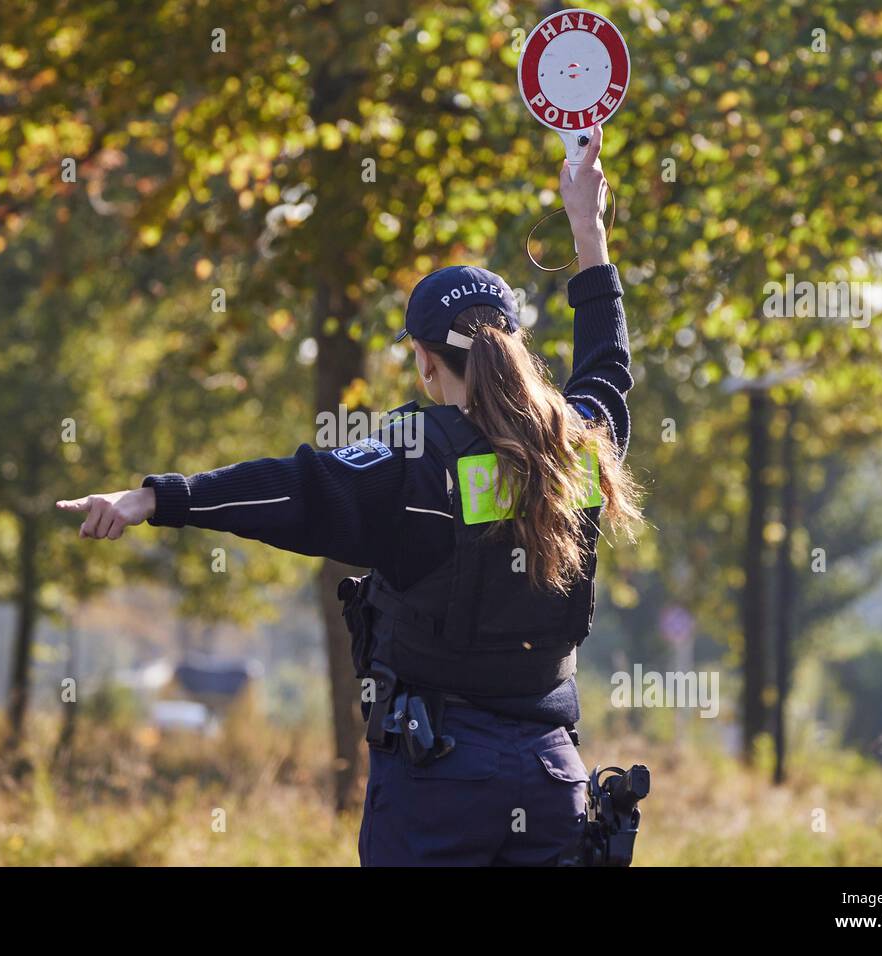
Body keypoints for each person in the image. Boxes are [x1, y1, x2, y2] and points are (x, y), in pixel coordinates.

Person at [57, 129, 641, 866]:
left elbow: (293, 490)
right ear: (515, 350)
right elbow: (607, 369)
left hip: (440, 784)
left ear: (426, 364)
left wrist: (155, 500)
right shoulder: (579, 450)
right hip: (553, 777)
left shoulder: (411, 460)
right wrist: (588, 230)